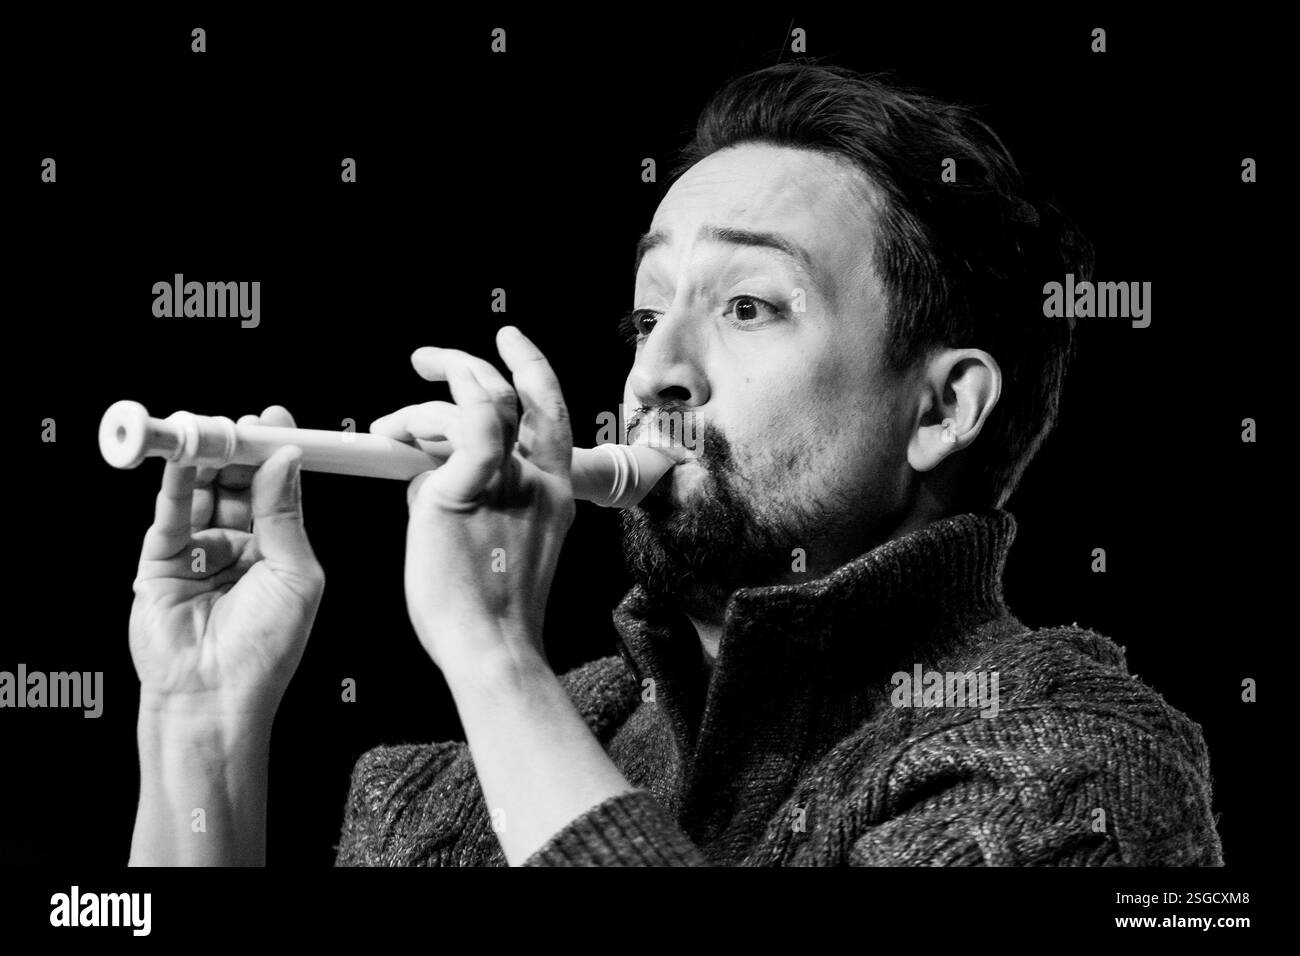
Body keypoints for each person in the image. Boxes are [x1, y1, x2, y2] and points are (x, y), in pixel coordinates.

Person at [127, 61, 1223, 866]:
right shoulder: (440, 797)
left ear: (940, 407)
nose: (655, 369)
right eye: (647, 313)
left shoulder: (1076, 767)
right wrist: (202, 727)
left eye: (748, 305)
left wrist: (495, 657)